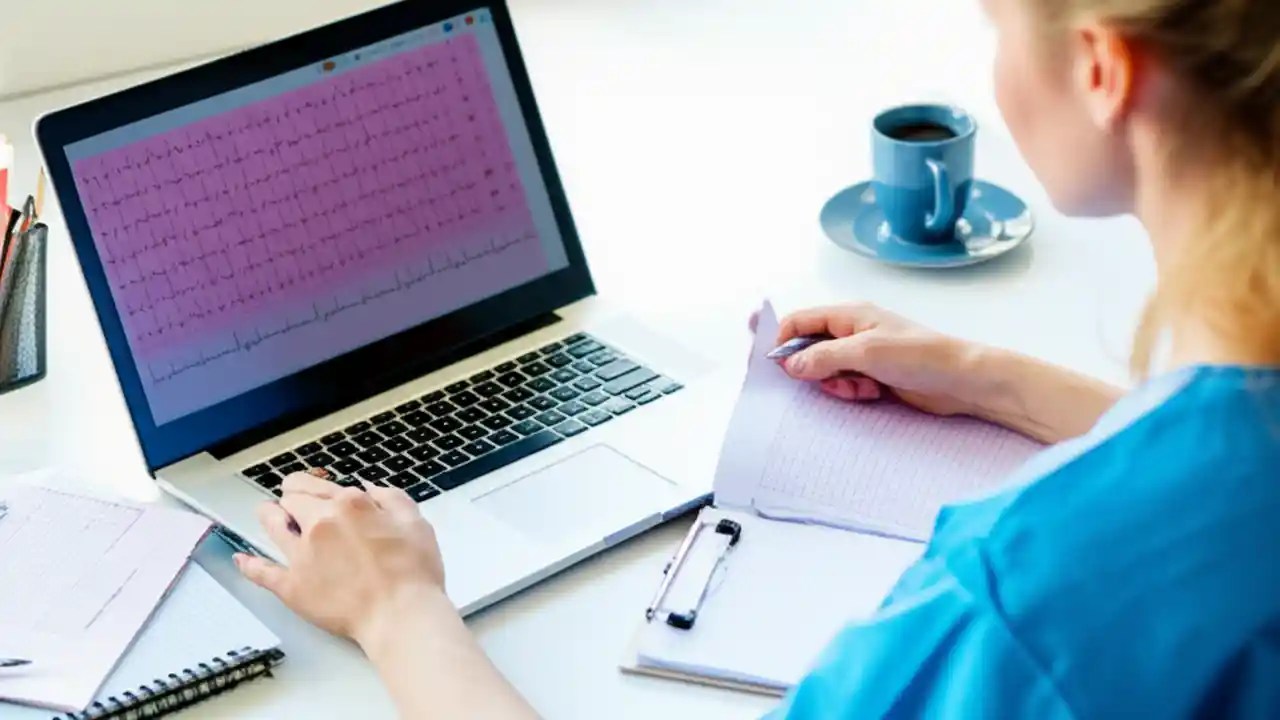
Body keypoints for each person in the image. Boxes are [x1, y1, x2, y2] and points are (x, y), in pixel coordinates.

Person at [235, 0, 1280, 715]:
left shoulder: (1022, 590)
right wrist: (989, 376)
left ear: (1101, 71)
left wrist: (396, 607)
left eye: (996, 24)